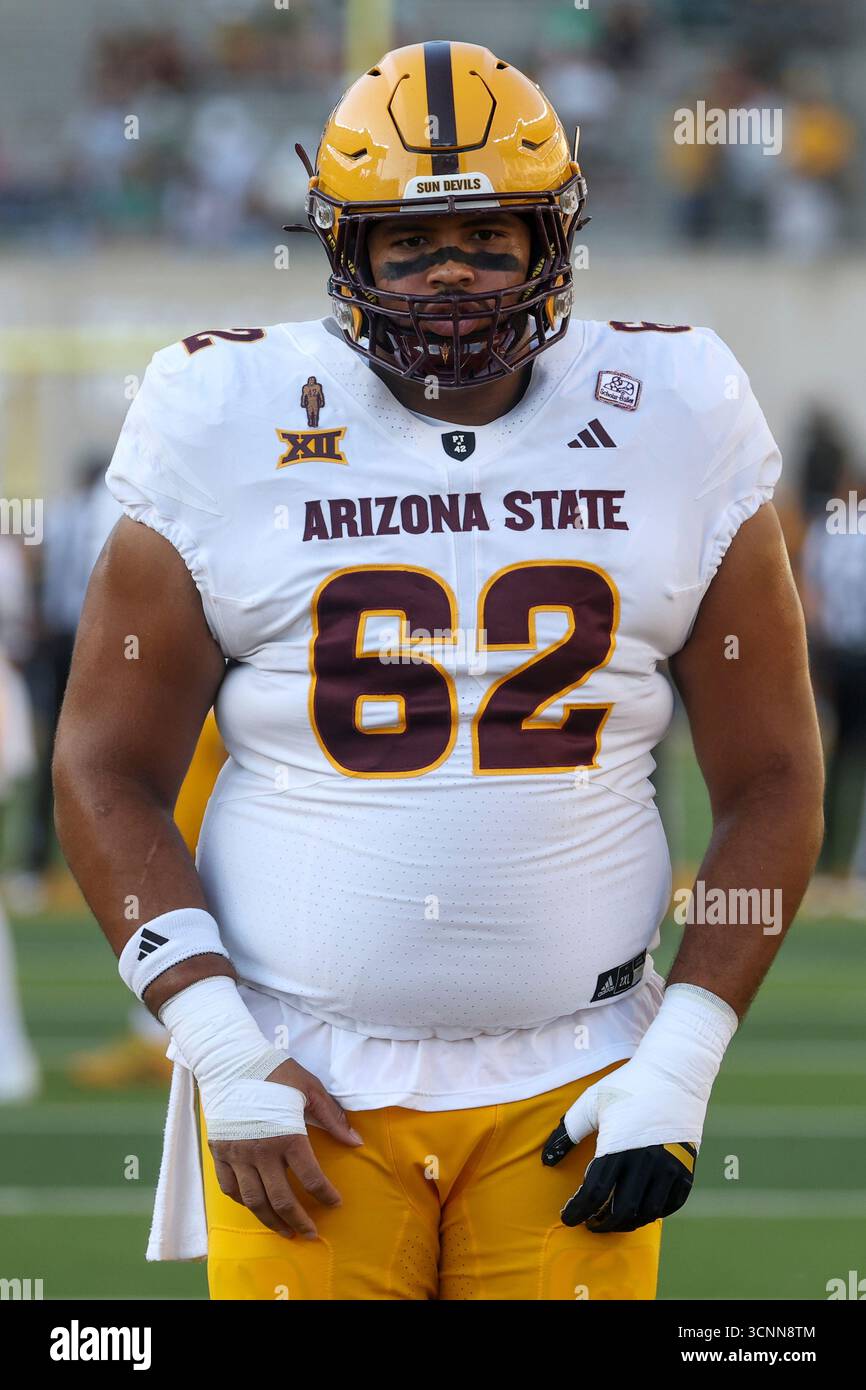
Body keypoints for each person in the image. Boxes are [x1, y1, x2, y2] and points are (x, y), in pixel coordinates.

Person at [53, 41, 824, 1301]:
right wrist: (217, 1042)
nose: (452, 275)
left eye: (488, 237)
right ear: (343, 252)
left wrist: (680, 1052)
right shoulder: (223, 408)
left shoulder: (672, 403)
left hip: (581, 1076)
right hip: (303, 1078)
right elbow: (104, 761)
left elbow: (778, 774)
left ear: (554, 239)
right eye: (409, 245)